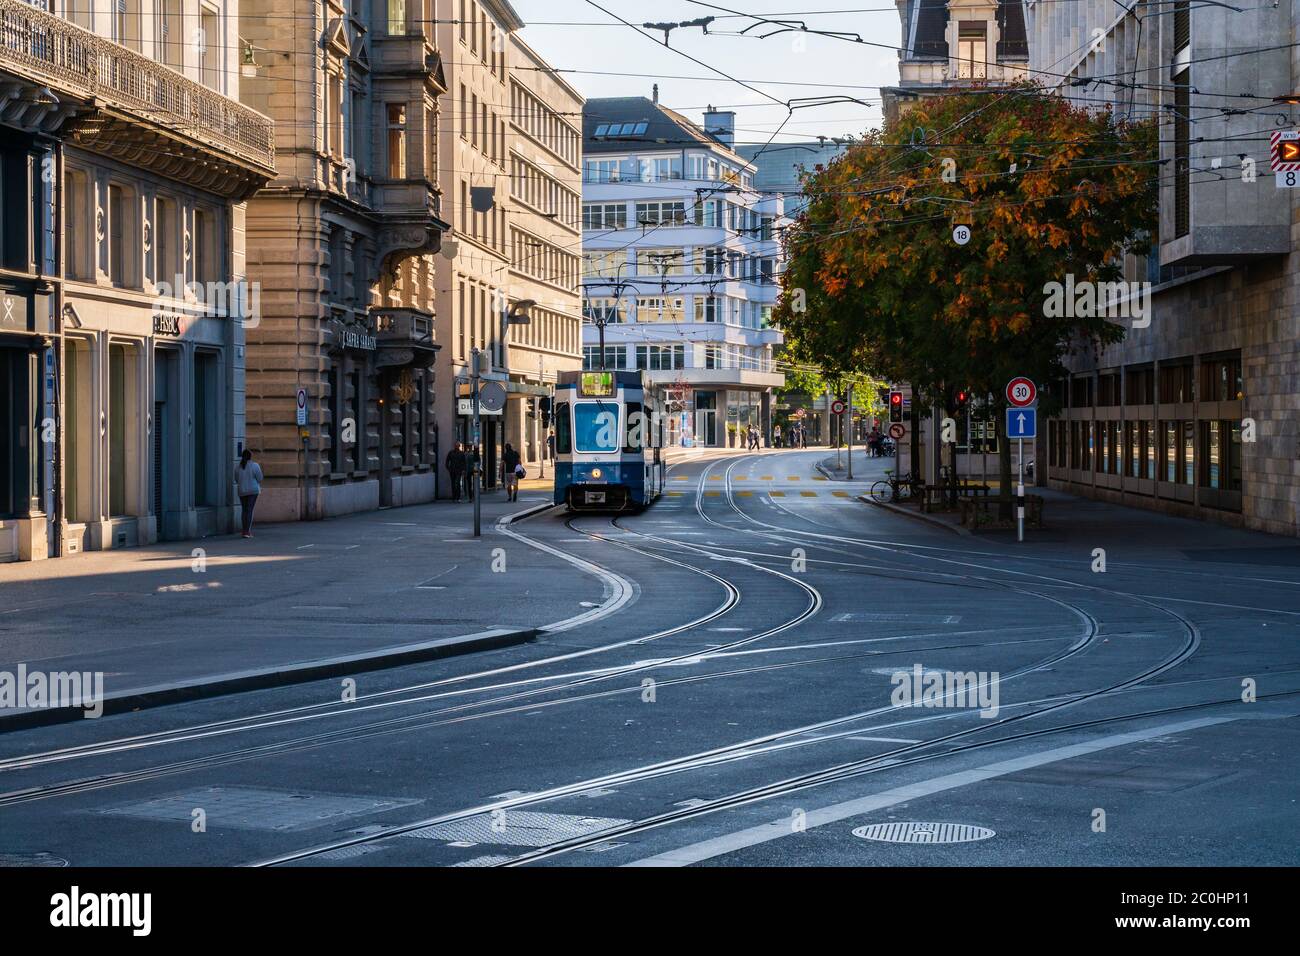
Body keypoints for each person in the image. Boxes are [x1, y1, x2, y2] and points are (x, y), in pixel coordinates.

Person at [234, 449, 263, 538]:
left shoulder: (238, 466)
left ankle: (244, 531)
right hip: (253, 490)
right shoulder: (255, 465)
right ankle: (247, 532)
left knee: (244, 510)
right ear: (251, 456)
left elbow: (236, 479)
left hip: (242, 490)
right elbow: (260, 478)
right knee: (249, 510)